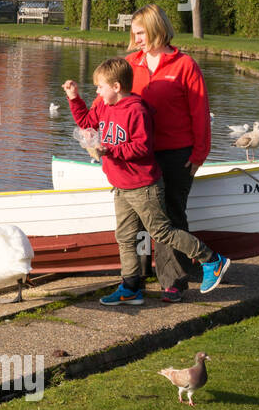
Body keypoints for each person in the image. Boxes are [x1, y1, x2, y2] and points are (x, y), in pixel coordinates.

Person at [63, 57, 230, 306]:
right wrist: (74, 98)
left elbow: (141, 147)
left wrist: (110, 150)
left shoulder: (136, 110)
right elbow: (86, 122)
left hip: (144, 186)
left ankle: (212, 258)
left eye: (100, 87)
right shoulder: (103, 108)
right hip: (121, 185)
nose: (97, 92)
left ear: (117, 87)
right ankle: (130, 286)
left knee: (162, 231)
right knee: (125, 236)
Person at [126, 3, 211, 302]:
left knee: (170, 215)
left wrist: (199, 154)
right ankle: (133, 277)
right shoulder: (129, 65)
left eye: (141, 33)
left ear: (156, 30)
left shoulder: (185, 65)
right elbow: (112, 105)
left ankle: (174, 281)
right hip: (138, 155)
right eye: (134, 33)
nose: (136, 39)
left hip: (177, 154)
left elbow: (200, 112)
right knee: (136, 216)